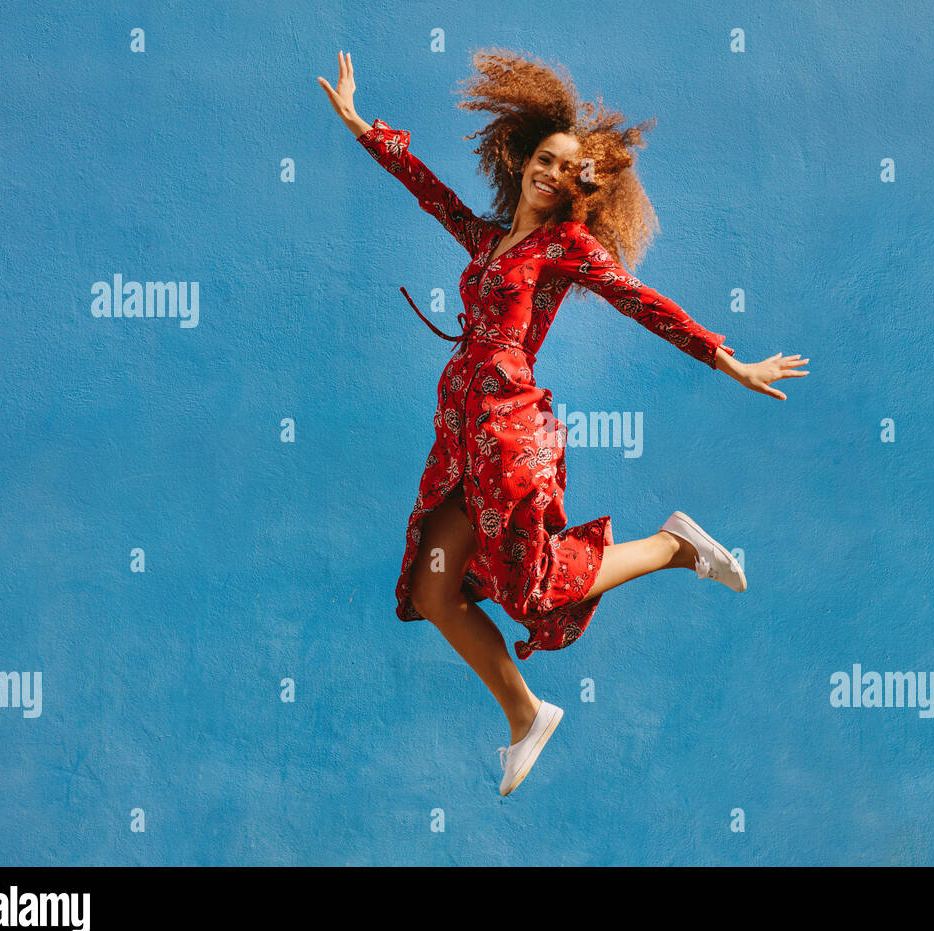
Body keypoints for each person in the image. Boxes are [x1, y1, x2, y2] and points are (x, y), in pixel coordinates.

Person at [319, 49, 808, 795]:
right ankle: (527, 716)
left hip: (509, 427)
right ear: (520, 160)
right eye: (544, 159)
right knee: (432, 589)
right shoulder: (489, 241)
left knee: (537, 587)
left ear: (581, 185)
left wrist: (726, 360)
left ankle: (674, 546)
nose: (551, 174)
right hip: (458, 433)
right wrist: (363, 127)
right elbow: (430, 193)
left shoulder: (564, 247)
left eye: (567, 169)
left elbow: (639, 300)